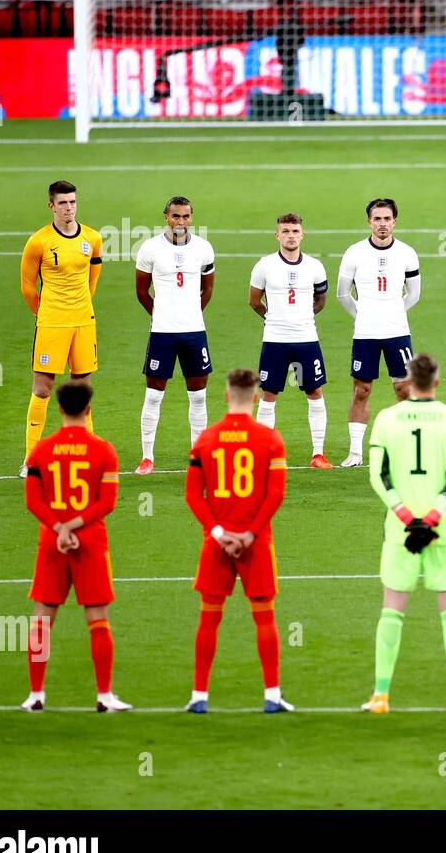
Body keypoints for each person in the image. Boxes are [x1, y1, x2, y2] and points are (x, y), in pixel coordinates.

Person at [363, 354, 446, 713]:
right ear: (436, 381)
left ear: (407, 381)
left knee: (392, 609)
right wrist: (431, 517)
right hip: (442, 527)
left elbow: (378, 476)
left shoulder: (387, 419)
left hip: (400, 528)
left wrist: (406, 516)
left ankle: (381, 696)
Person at [184, 367, 292, 714]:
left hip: (215, 542)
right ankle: (272, 696)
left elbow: (192, 496)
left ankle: (199, 696)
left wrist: (218, 532)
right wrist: (248, 534)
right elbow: (275, 495)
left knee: (209, 617)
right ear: (257, 396)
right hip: (255, 541)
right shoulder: (270, 440)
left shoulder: (206, 439)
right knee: (264, 617)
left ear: (227, 395)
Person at [22, 382, 130, 713]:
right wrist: (74, 526)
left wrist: (58, 527)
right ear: (88, 410)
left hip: (52, 542)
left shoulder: (41, 451)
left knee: (42, 616)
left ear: (58, 410)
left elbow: (32, 501)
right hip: (90, 542)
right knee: (97, 617)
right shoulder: (104, 451)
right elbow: (107, 502)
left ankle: (36, 694)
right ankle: (104, 695)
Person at [20, 180, 104, 476]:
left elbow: (92, 279)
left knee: (82, 388)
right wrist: (42, 313)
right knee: (43, 389)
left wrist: (81, 308)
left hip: (83, 321)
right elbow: (28, 285)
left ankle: (89, 453)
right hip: (52, 322)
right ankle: (31, 459)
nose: (69, 208)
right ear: (51, 206)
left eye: (73, 202)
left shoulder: (92, 238)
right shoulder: (39, 241)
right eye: (63, 203)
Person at [134, 196, 216, 474]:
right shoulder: (150, 249)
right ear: (166, 217)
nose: (180, 222)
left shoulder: (203, 249)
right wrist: (161, 315)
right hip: (162, 333)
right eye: (175, 216)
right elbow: (141, 292)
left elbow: (207, 290)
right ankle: (147, 457)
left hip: (194, 332)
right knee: (154, 395)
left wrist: (191, 312)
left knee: (198, 396)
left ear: (191, 217)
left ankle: (198, 455)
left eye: (185, 216)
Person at [337, 197, 421, 467]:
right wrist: (362, 315)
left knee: (404, 389)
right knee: (361, 389)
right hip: (365, 334)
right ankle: (355, 452)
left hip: (397, 332)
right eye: (377, 219)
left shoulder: (407, 253)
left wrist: (394, 313)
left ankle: (408, 449)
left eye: (387, 219)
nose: (382, 224)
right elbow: (342, 294)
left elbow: (414, 294)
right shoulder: (354, 253)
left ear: (395, 221)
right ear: (369, 221)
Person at [249, 212, 333, 467]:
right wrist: (272, 317)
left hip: (307, 339)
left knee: (314, 391)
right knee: (269, 393)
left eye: (295, 231)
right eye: (285, 231)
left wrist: (302, 317)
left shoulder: (315, 266)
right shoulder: (264, 265)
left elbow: (321, 300)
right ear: (277, 235)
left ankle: (318, 453)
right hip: (274, 340)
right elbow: (254, 301)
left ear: (302, 234)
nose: (290, 236)